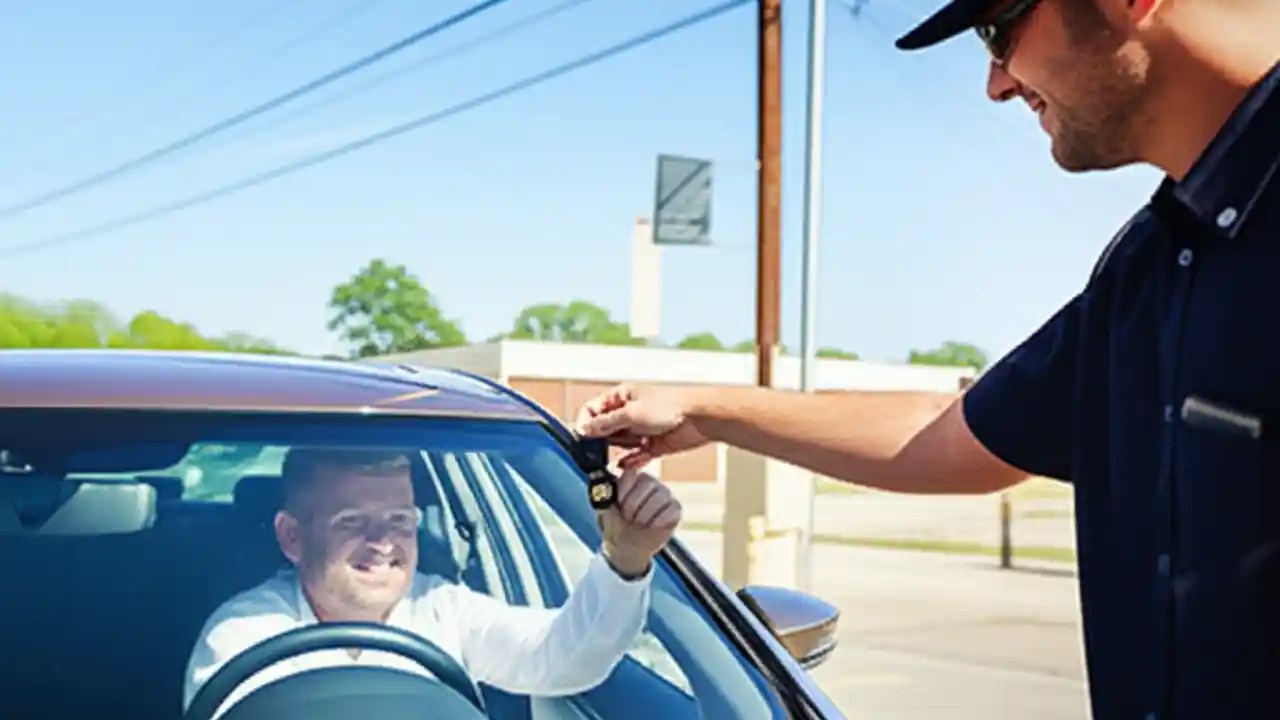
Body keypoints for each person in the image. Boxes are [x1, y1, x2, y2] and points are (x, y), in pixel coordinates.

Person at [575, 1, 1280, 718]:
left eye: (998, 28)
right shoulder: (1147, 272)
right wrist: (706, 409)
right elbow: (950, 437)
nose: (996, 84)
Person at [183, 448, 681, 716]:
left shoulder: (444, 608)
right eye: (352, 522)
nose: (383, 542)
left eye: (400, 521)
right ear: (292, 537)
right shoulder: (244, 633)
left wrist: (626, 557)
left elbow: (563, 658)